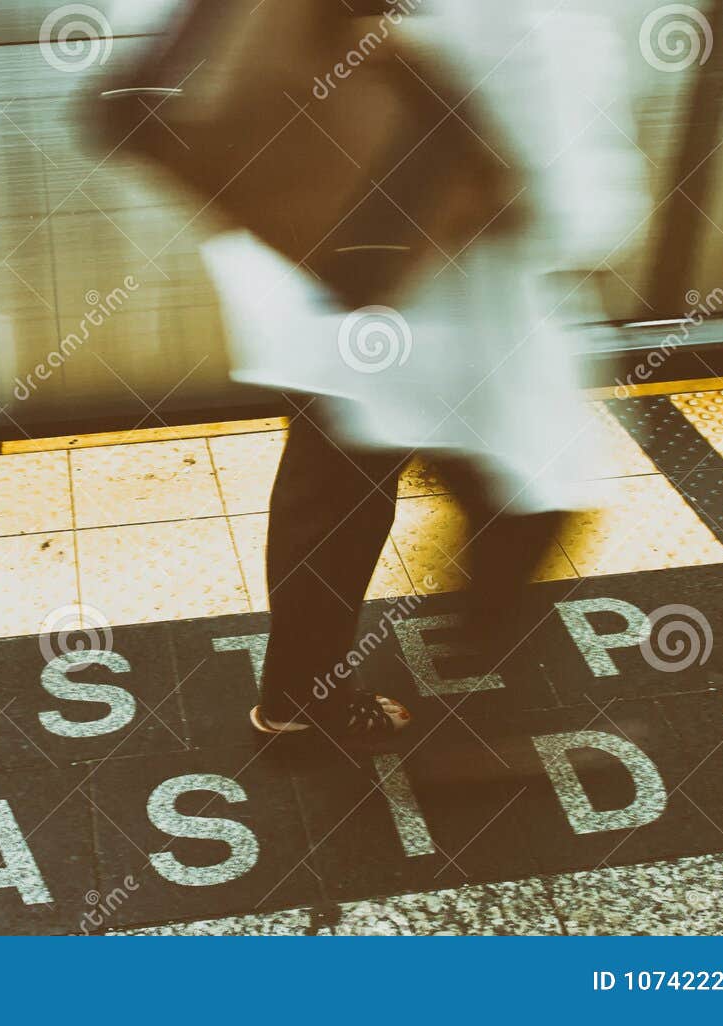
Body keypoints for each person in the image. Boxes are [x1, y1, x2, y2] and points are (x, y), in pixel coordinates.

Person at [199, 0, 650, 743]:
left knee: (335, 484)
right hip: (423, 269)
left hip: (328, 245)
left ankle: (298, 698)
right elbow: (555, 120)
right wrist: (593, 222)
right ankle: (471, 725)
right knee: (531, 490)